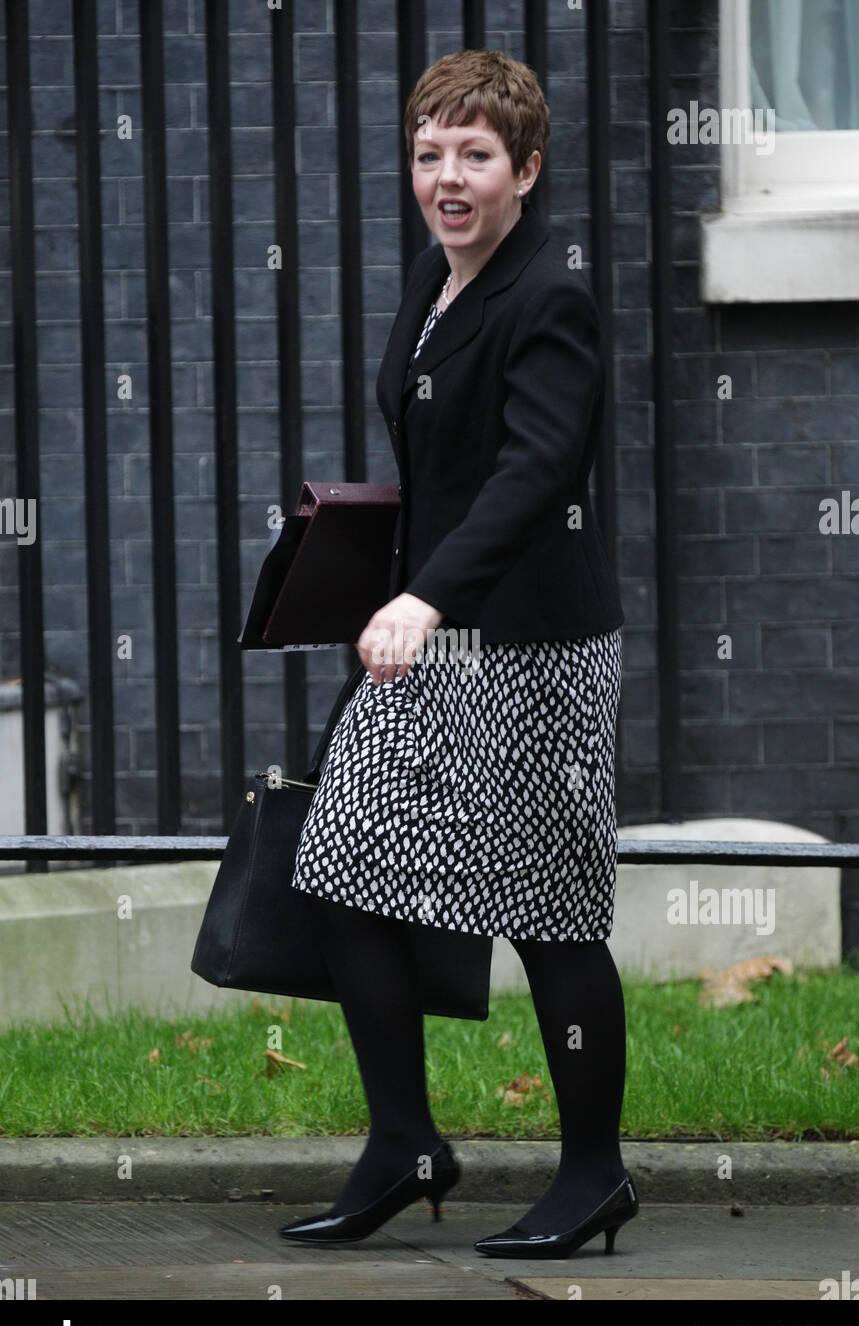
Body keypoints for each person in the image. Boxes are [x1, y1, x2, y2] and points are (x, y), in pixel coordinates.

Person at [281, 49, 637, 1259]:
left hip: (533, 649)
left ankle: (594, 1173)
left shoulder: (550, 296)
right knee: (338, 866)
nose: (448, 175)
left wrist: (429, 596)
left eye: (475, 155)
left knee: (549, 911)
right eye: (431, 152)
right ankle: (406, 1143)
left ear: (525, 169)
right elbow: (440, 463)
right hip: (426, 648)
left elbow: (538, 471)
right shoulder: (437, 281)